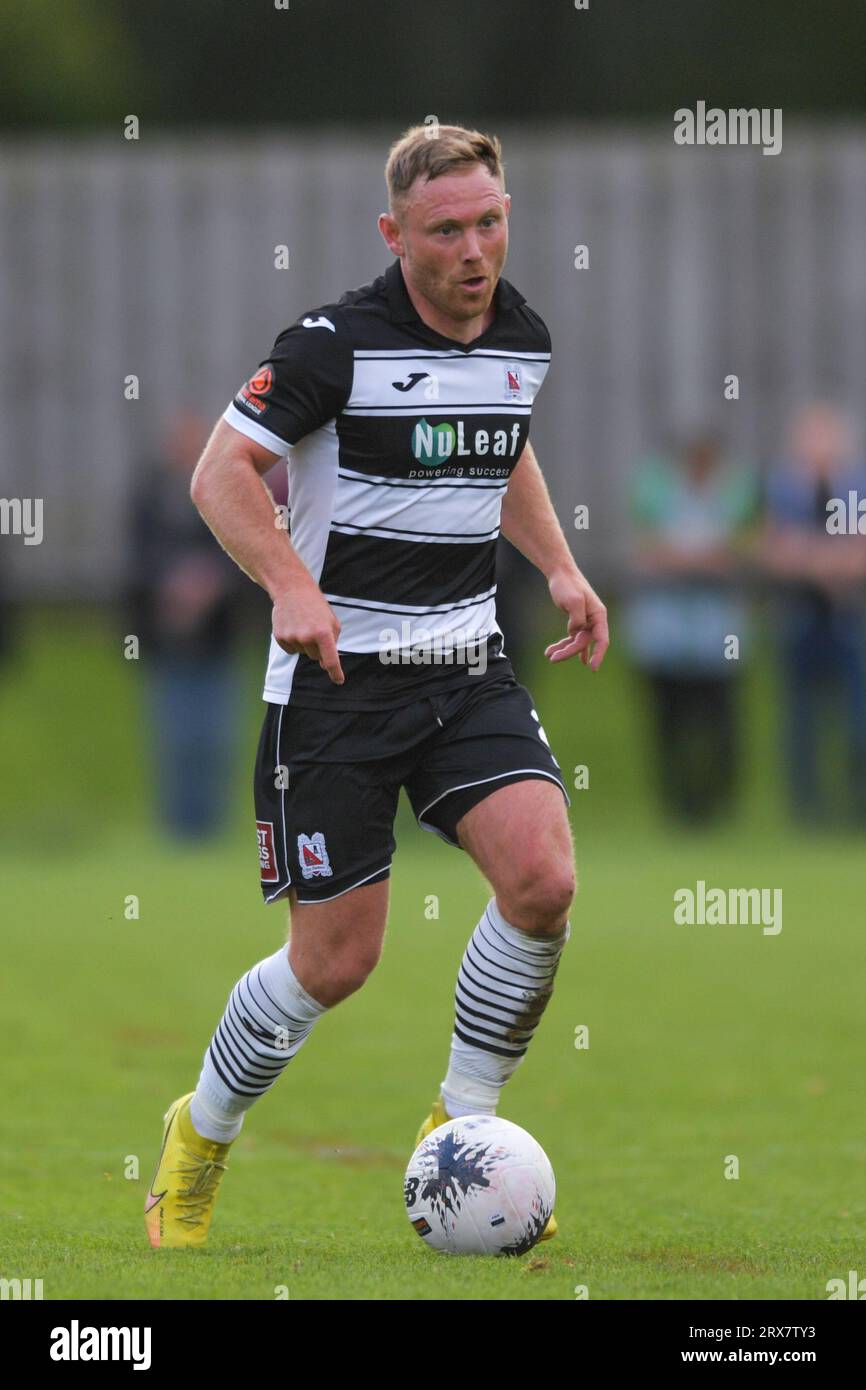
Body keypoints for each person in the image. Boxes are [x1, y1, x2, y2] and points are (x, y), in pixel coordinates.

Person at [144, 124, 608, 1250]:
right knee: (335, 961)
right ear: (393, 234)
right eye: (445, 229)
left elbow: (501, 449)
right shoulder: (329, 346)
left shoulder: (522, 336)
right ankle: (198, 1136)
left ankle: (461, 1124)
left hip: (465, 667)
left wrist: (557, 565)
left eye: (488, 222)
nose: (473, 248)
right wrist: (291, 584)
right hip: (335, 686)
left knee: (542, 879)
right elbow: (222, 472)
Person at [623, 433, 758, 824]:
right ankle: (677, 805)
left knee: (720, 723)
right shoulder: (655, 487)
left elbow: (743, 551)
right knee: (670, 723)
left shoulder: (737, 489)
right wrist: (705, 560)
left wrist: (680, 558)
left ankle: (717, 803)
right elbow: (645, 552)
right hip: (663, 635)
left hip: (718, 637)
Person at [127, 412, 245, 839]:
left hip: (216, 644)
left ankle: (211, 825)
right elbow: (136, 562)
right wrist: (171, 588)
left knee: (213, 741)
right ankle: (178, 828)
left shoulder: (228, 495)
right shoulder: (150, 499)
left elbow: (247, 556)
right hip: (169, 644)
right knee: (175, 740)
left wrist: (211, 583)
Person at [762, 403, 866, 825]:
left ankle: (856, 803)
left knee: (857, 716)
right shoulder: (784, 489)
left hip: (848, 618)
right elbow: (774, 551)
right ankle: (807, 809)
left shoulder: (855, 488)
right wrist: (828, 559)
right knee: (800, 717)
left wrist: (809, 556)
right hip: (799, 619)